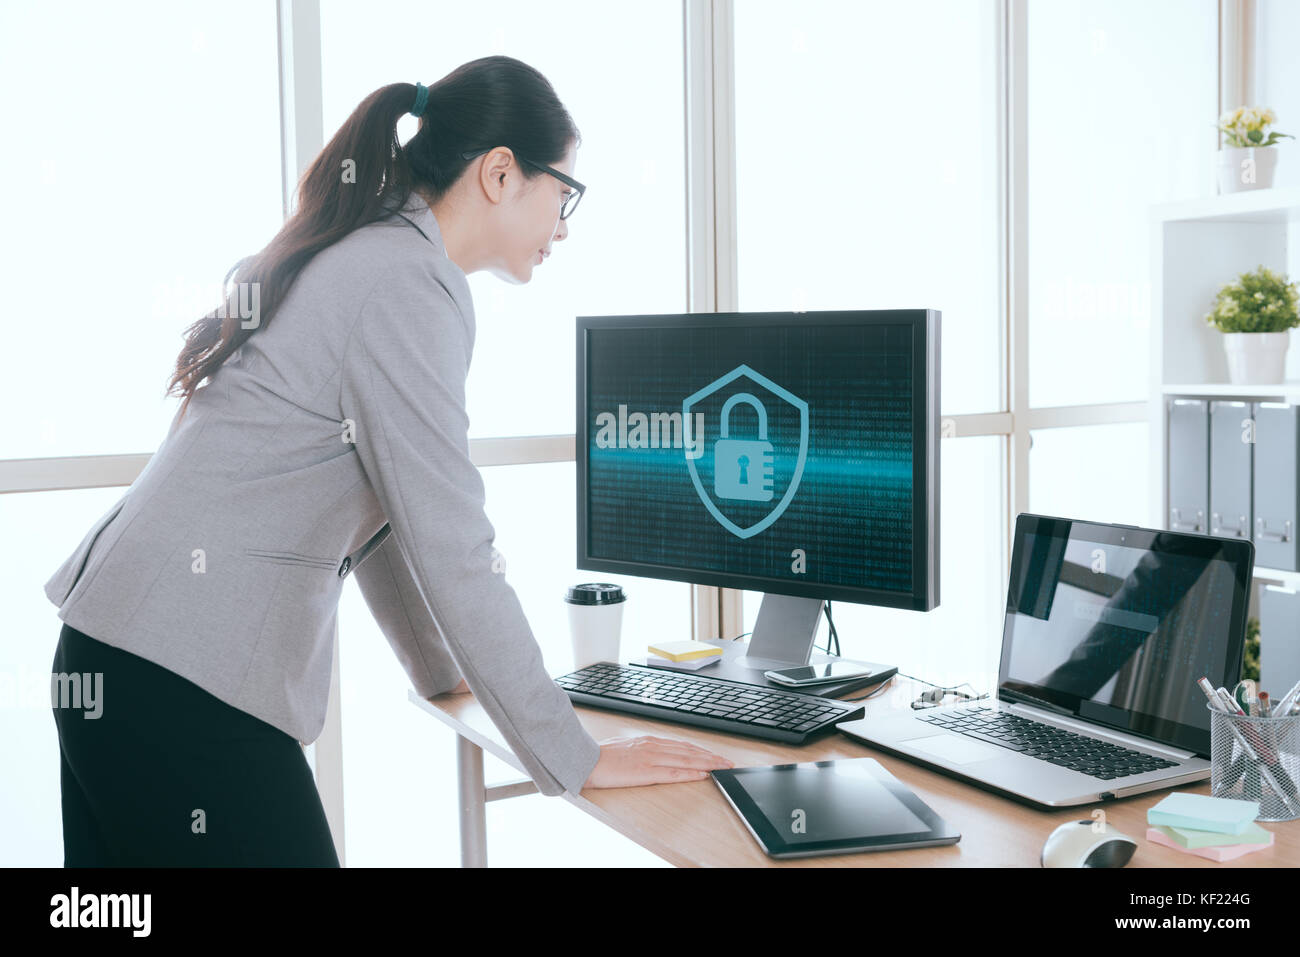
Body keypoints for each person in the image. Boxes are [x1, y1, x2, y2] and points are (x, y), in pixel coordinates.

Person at [46, 55, 733, 868]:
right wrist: (574, 754)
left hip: (113, 655)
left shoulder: (373, 252)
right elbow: (452, 546)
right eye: (564, 192)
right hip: (180, 681)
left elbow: (385, 523)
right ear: (501, 173)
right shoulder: (407, 283)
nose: (565, 224)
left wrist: (443, 673)